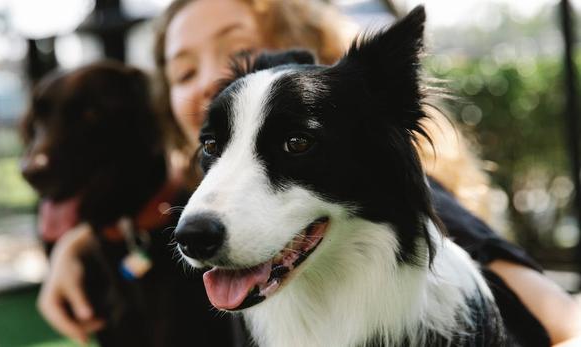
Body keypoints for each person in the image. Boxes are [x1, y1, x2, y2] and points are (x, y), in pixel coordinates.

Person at [37, 0, 581, 346]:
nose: (209, 81)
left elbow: (563, 323)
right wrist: (80, 241)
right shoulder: (202, 194)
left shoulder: (409, 187)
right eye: (182, 70)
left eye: (238, 50)